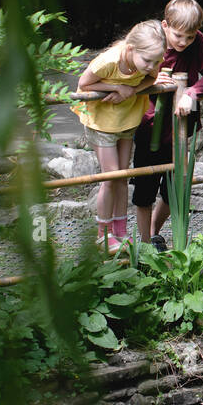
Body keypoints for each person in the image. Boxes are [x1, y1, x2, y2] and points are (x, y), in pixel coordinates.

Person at [130, 0, 203, 251]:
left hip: (180, 129)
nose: (184, 42)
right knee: (145, 190)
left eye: (190, 37)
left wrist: (191, 92)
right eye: (179, 36)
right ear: (165, 26)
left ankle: (154, 233)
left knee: (175, 190)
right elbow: (133, 76)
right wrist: (154, 81)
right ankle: (146, 246)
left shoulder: (197, 42)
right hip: (149, 128)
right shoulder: (152, 42)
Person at [72, 20, 167, 252]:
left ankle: (121, 231)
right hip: (103, 124)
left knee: (123, 177)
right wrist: (116, 88)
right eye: (148, 61)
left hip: (126, 121)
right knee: (111, 176)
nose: (152, 65)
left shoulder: (149, 60)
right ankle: (103, 235)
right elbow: (83, 84)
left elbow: (151, 78)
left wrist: (132, 90)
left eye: (156, 61)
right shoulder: (110, 61)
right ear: (131, 49)